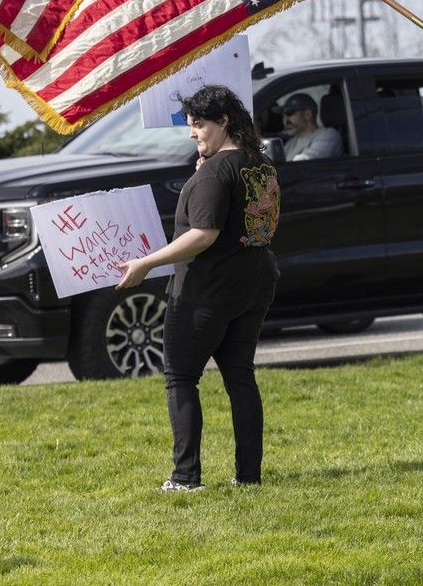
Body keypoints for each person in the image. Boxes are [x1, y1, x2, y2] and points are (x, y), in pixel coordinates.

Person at [116, 85, 281, 491]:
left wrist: (146, 262)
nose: (193, 133)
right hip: (255, 282)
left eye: (199, 124)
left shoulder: (214, 172)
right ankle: (248, 476)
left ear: (223, 122)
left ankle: (185, 477)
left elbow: (203, 234)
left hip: (208, 290)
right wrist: (202, 175)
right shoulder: (260, 164)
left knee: (180, 377)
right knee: (240, 376)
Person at [280, 92, 342, 161]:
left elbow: (304, 164)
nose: (285, 119)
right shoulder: (291, 143)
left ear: (307, 114)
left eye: (289, 113)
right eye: (283, 115)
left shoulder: (329, 135)